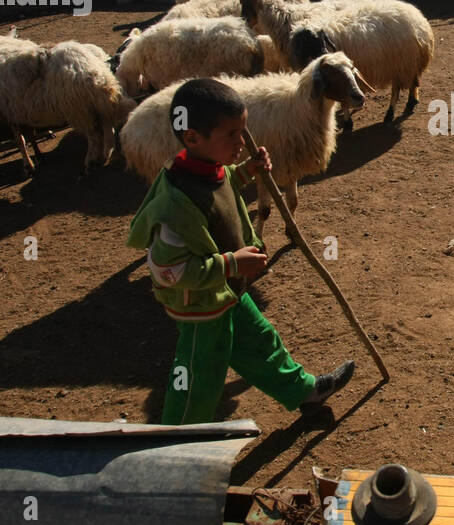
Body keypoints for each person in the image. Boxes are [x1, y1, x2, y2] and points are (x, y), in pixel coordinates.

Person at [126, 77, 355, 424]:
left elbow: (223, 184)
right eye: (232, 135)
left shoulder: (207, 169)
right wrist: (233, 262)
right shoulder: (175, 205)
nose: (242, 141)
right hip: (201, 306)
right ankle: (177, 437)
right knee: (197, 375)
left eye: (242, 131)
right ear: (192, 138)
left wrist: (246, 171)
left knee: (261, 341)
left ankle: (302, 391)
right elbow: (167, 271)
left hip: (227, 289)